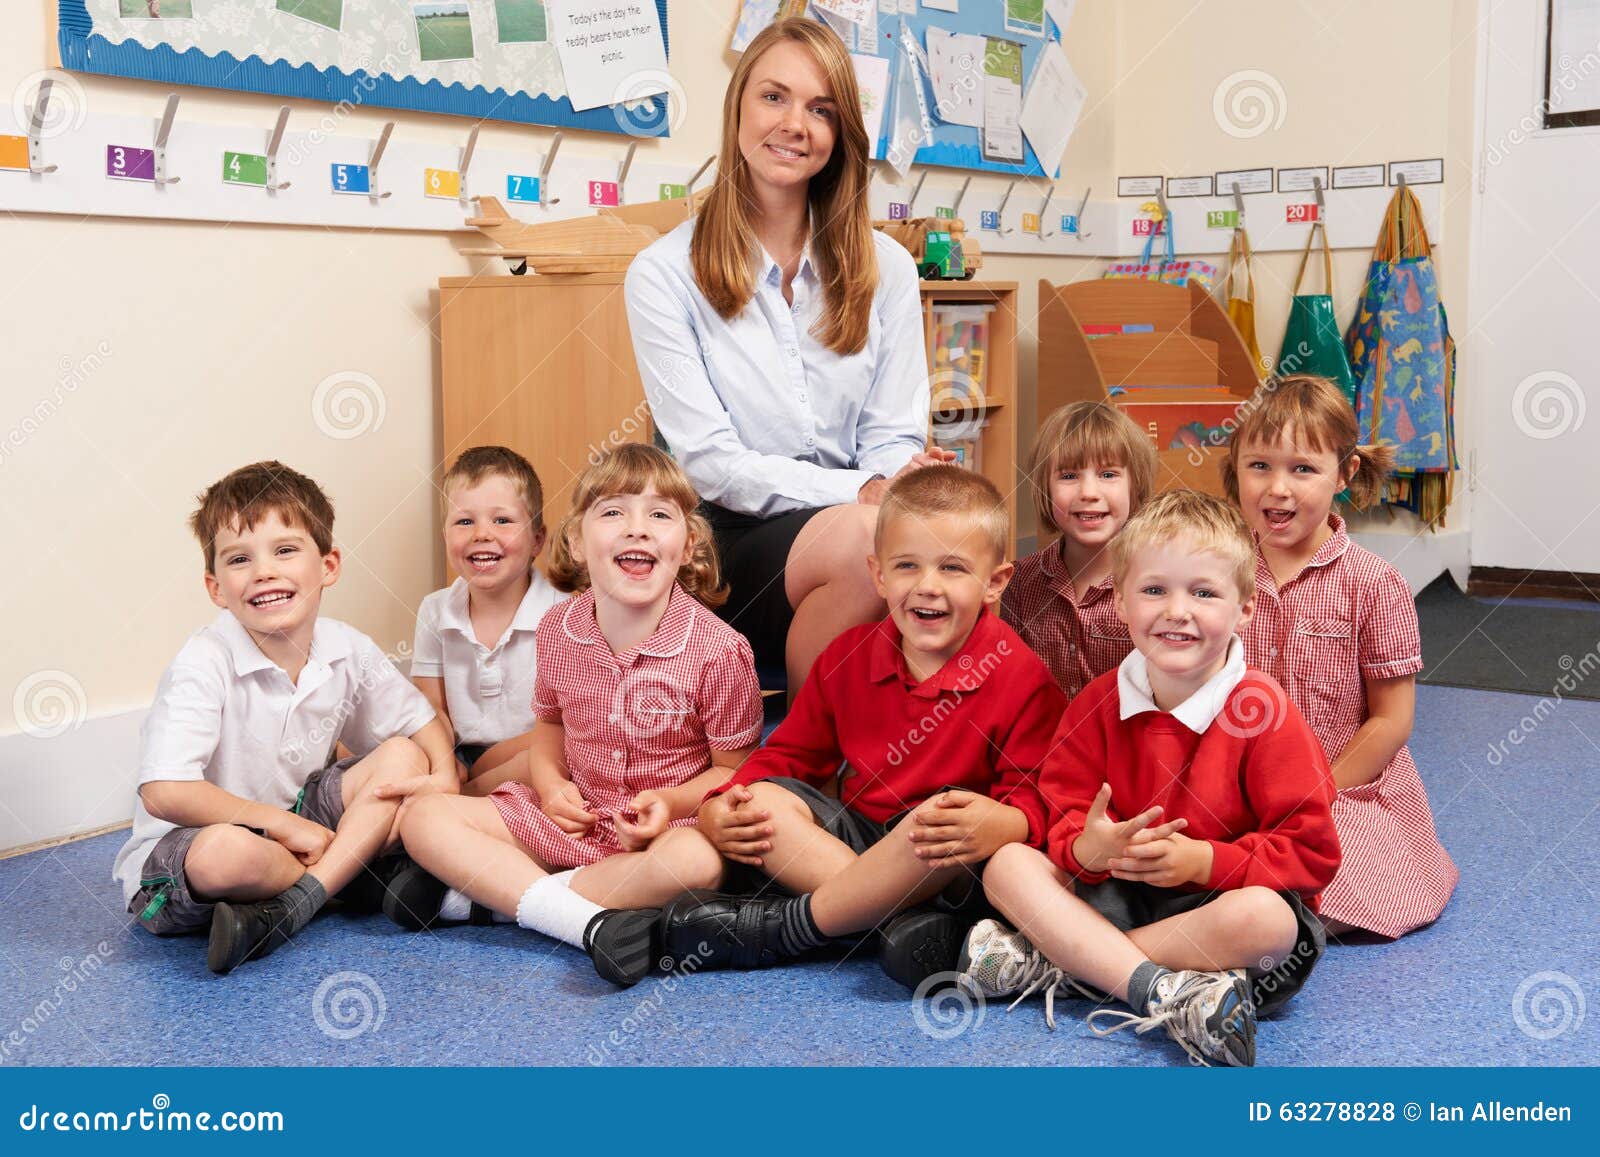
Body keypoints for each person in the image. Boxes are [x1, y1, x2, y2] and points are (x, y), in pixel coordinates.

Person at [958, 491, 1340, 1066]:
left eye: (1204, 592)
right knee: (1009, 863)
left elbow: (1311, 854)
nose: (1176, 610)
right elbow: (1061, 817)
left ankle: (1062, 965)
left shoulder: (1266, 711)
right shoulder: (1095, 703)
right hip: (1116, 896)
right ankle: (1163, 992)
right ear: (1119, 602)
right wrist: (1090, 848)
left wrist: (1204, 862)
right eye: (1155, 589)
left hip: (1218, 922)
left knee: (1271, 923)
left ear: (1245, 609)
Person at [624, 17, 946, 691]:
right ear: (738, 106)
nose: (795, 123)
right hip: (728, 537)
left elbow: (892, 432)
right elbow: (711, 465)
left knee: (949, 545)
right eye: (775, 97)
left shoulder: (888, 267)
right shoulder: (663, 274)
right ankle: (813, 764)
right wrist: (861, 494)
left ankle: (903, 754)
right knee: (872, 549)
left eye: (821, 109)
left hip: (864, 521)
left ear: (840, 134)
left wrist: (888, 487)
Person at [656, 468, 1065, 988]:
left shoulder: (1021, 676)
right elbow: (787, 758)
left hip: (945, 859)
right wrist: (721, 802)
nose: (927, 586)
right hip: (857, 842)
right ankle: (889, 925)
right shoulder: (846, 657)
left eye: (953, 568)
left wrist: (1004, 823)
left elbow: (1039, 798)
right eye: (906, 565)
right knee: (760, 805)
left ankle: (790, 927)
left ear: (995, 582)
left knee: (940, 821)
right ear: (878, 575)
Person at [384, 445, 763, 987]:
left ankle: (494, 903)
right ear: (577, 543)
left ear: (688, 545)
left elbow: (734, 772)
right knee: (424, 818)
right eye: (613, 512)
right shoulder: (559, 628)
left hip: (658, 833)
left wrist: (671, 802)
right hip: (573, 817)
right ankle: (588, 918)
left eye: (659, 515)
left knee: (698, 863)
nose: (637, 529)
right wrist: (551, 782)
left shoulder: (720, 650)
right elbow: (551, 727)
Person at [113, 461, 455, 975]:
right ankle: (348, 875)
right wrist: (279, 825)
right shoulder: (203, 661)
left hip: (300, 821)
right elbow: (164, 791)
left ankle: (298, 900)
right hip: (199, 844)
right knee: (225, 853)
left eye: (286, 550)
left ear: (329, 565)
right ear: (215, 588)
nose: (263, 571)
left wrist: (445, 779)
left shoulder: (346, 647)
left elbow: (420, 726)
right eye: (238, 559)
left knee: (405, 759)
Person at [1224, 374, 1457, 937]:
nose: (1277, 488)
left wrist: (1315, 793)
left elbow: (1391, 719)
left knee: (1337, 884)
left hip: (1344, 785)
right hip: (1233, 779)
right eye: (1259, 466)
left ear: (1345, 474)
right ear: (1235, 470)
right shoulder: (1219, 570)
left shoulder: (1375, 584)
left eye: (1302, 469)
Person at [409, 446, 564, 796]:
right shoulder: (435, 610)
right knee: (398, 748)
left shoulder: (563, 613)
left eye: (502, 520)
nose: (482, 534)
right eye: (465, 521)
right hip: (461, 753)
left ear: (537, 540)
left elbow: (563, 725)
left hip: (535, 747)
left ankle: (457, 801)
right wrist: (446, 761)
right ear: (446, 536)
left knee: (549, 758)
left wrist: (477, 771)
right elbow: (431, 708)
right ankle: (454, 797)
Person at [1002, 401, 1158, 698]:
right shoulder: (1020, 581)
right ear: (1045, 489)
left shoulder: (1156, 584)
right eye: (1069, 476)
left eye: (1108, 474)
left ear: (1134, 487)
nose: (1088, 493)